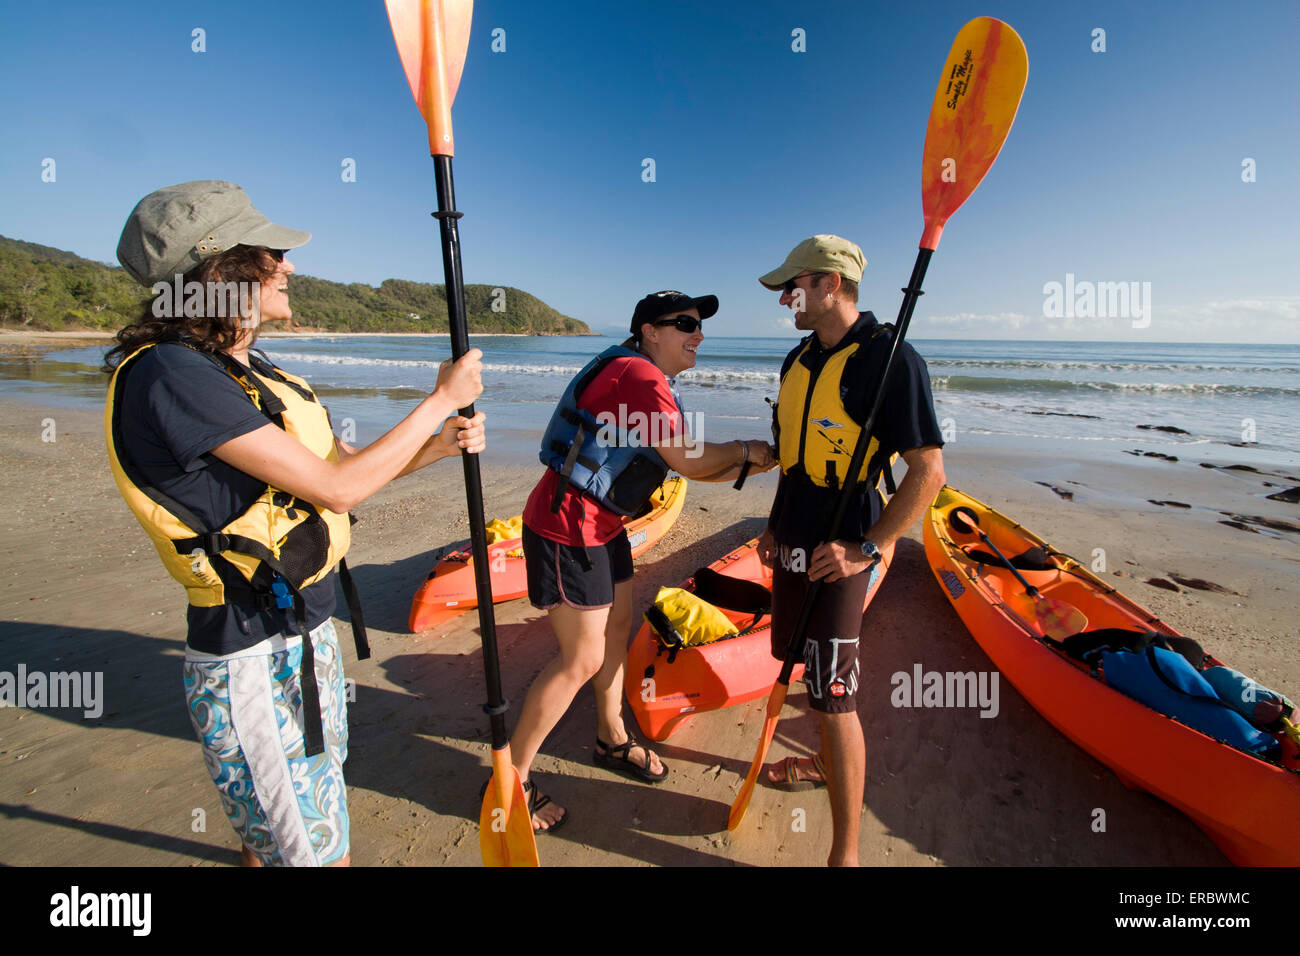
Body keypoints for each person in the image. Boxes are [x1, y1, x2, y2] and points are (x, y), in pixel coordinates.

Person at [104, 180, 485, 867]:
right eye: (271, 252)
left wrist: (440, 441)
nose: (290, 266)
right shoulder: (171, 375)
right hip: (250, 655)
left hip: (307, 630)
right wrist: (438, 401)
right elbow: (339, 488)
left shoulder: (245, 370)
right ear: (217, 271)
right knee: (312, 853)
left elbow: (343, 467)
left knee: (293, 832)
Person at [508, 290, 777, 831]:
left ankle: (611, 738)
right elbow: (689, 459)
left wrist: (762, 462)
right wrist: (752, 449)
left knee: (619, 631)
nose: (697, 335)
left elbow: (694, 466)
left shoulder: (644, 378)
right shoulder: (638, 377)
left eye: (699, 326)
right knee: (580, 660)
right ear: (650, 331)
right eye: (685, 324)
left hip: (603, 526)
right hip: (567, 528)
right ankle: (509, 781)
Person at [756, 235, 946, 867]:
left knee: (836, 696)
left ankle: (846, 854)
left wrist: (869, 548)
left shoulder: (892, 361)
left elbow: (928, 473)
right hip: (793, 530)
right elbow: (790, 456)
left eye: (795, 286)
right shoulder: (796, 360)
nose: (787, 298)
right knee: (799, 660)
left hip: (846, 534)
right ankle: (820, 760)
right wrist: (774, 526)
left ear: (830, 284)